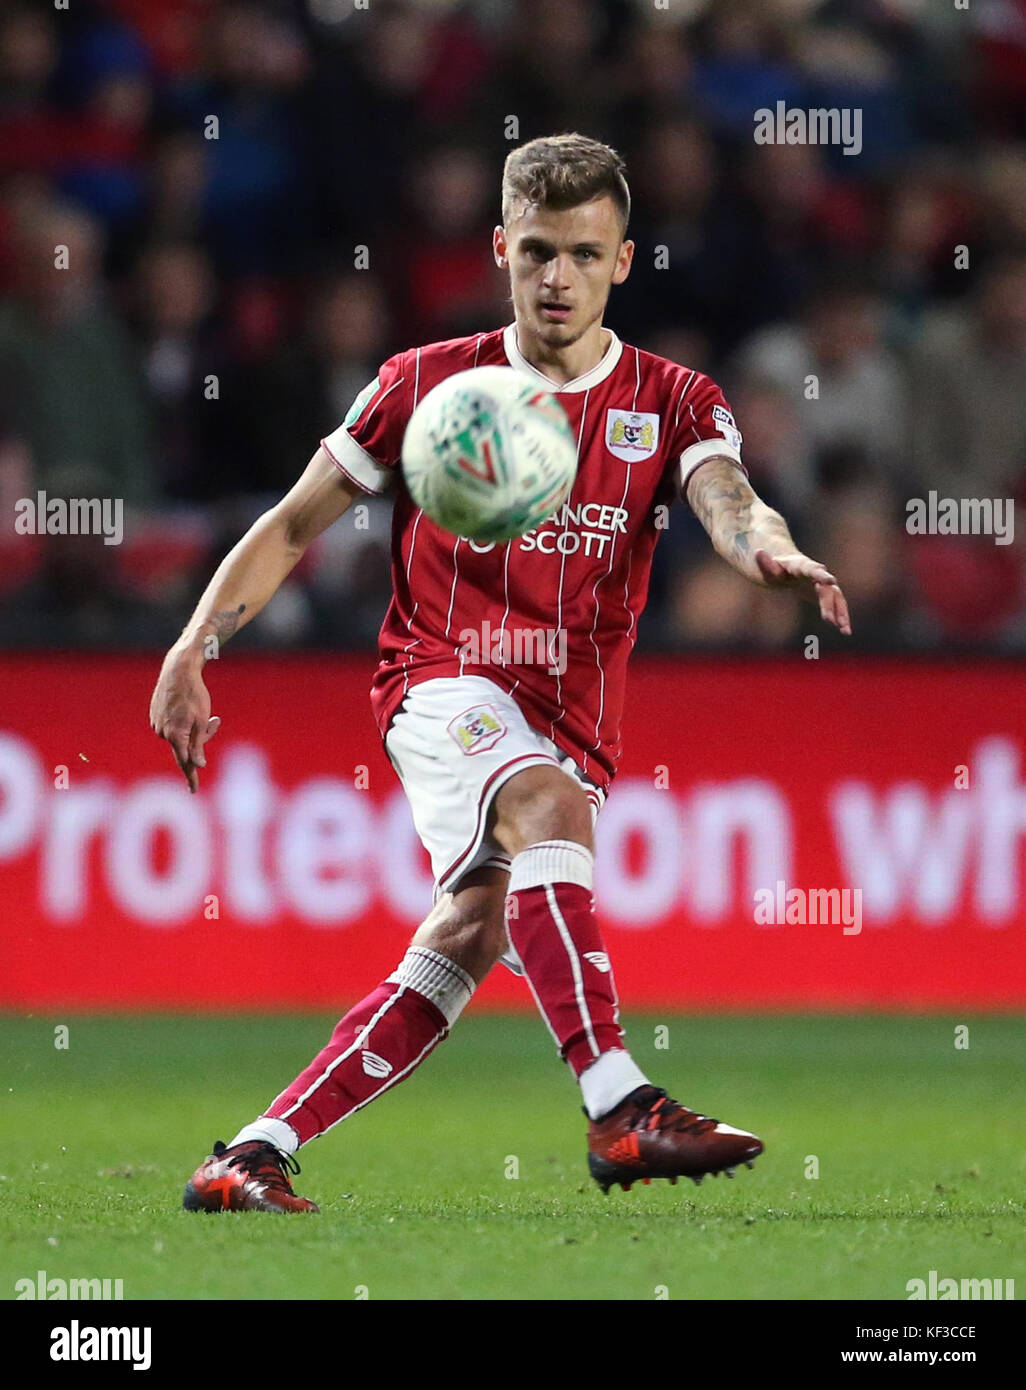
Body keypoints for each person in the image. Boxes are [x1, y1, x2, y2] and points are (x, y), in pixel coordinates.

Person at [150, 134, 851, 1213]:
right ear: (500, 251)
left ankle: (251, 1150)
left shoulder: (672, 398)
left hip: (574, 713)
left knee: (469, 936)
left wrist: (765, 546)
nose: (556, 277)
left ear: (624, 260)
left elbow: (726, 494)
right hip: (442, 679)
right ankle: (621, 1105)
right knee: (543, 807)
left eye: (581, 252)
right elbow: (292, 523)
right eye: (535, 252)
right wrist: (194, 642)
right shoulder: (426, 386)